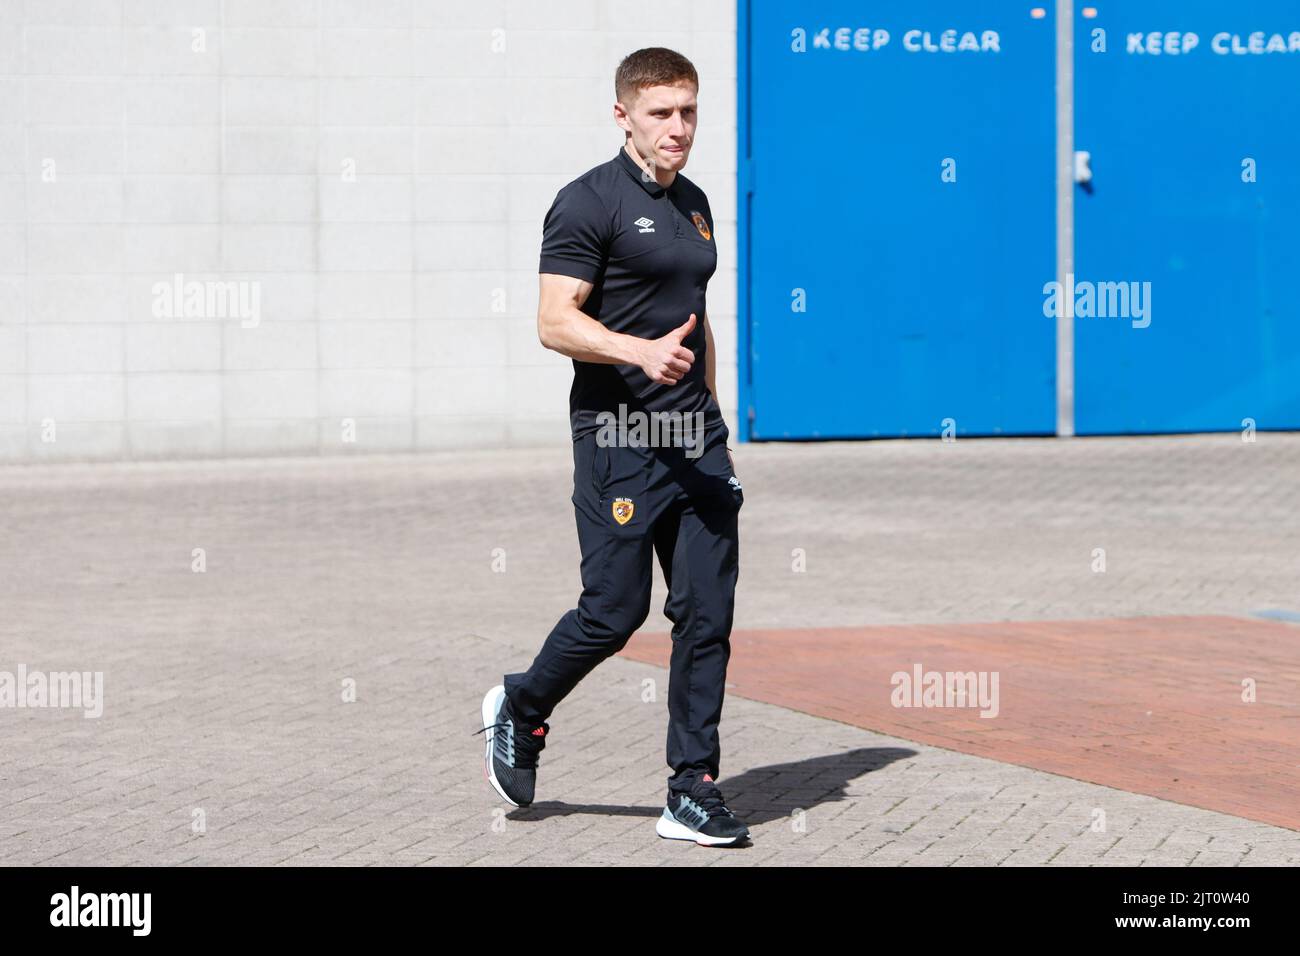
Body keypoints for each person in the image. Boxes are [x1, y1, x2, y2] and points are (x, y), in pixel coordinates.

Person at [473, 47, 748, 847]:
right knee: (615, 611)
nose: (679, 128)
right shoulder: (585, 202)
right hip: (618, 436)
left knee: (707, 615)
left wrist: (715, 421)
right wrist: (637, 353)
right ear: (623, 115)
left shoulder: (694, 204)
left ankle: (691, 788)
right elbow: (554, 320)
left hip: (694, 441)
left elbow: (696, 321)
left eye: (689, 111)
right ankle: (523, 705)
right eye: (662, 113)